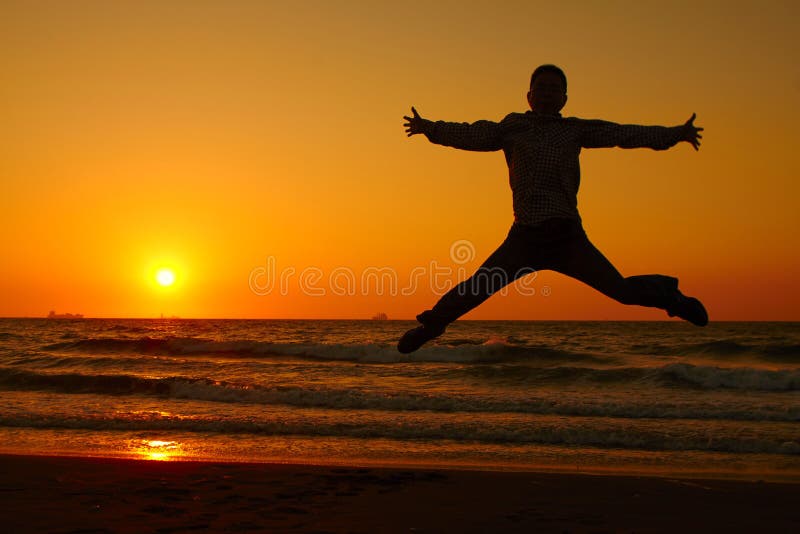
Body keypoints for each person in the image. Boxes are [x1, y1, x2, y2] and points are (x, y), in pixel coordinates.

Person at [398, 64, 707, 354]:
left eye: (553, 89)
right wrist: (429, 128)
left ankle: (673, 298)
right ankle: (432, 325)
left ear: (564, 98)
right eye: (540, 88)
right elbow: (472, 133)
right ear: (529, 96)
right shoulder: (512, 127)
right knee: (479, 286)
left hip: (567, 238)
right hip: (525, 238)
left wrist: (674, 134)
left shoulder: (575, 130)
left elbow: (622, 133)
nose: (546, 93)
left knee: (621, 291)